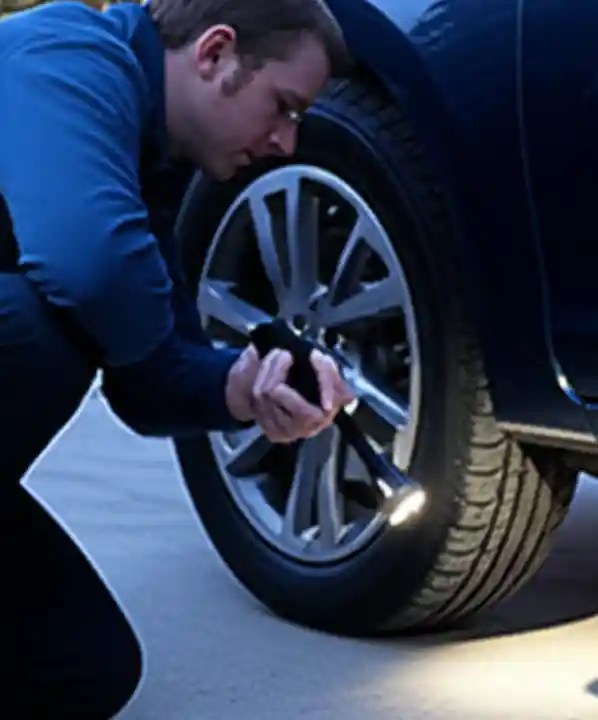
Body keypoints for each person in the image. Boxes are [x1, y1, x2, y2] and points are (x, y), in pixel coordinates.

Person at [1, 0, 356, 715]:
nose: (286, 143)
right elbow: (90, 266)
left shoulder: (149, 155)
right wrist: (151, 341)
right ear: (215, 53)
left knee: (85, 665)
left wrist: (246, 386)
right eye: (283, 107)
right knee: (36, 329)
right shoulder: (65, 54)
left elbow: (148, 384)